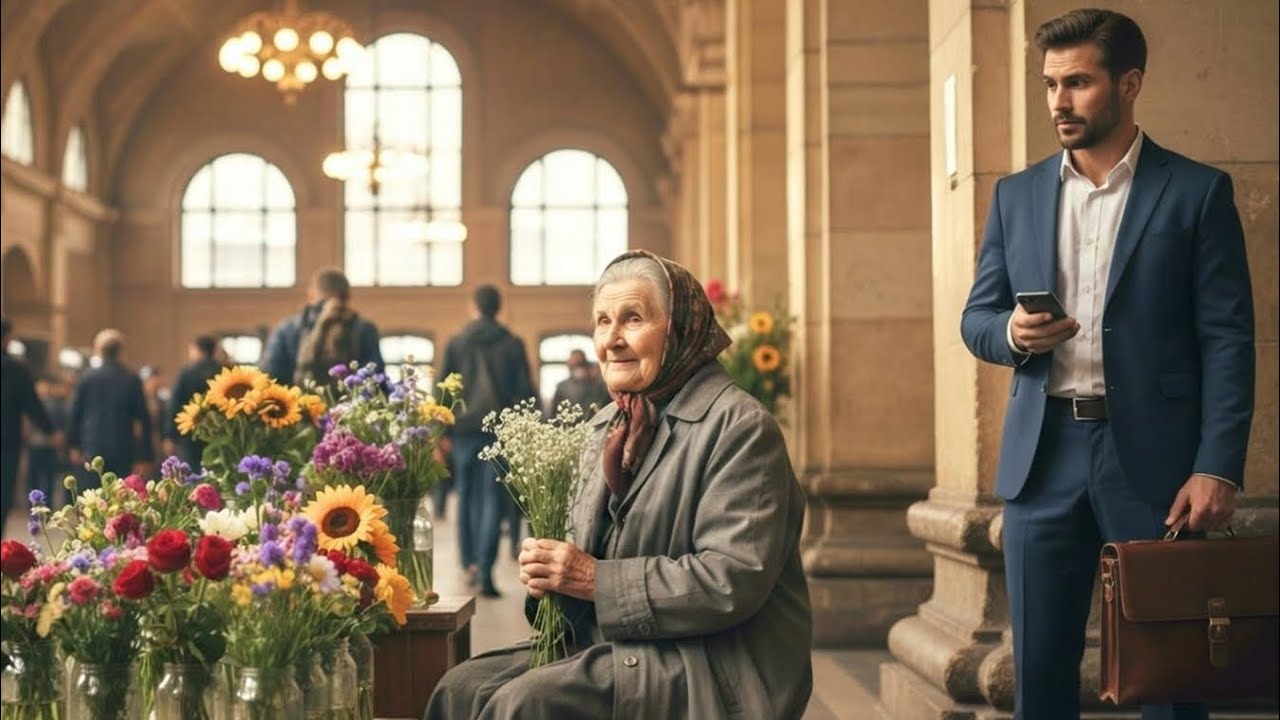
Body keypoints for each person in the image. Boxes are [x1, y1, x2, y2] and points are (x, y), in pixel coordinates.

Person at [960, 9, 1254, 720]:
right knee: (1037, 676)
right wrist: (1013, 333)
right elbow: (976, 318)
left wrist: (1217, 466)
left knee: (1172, 680)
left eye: (1079, 83)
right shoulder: (1016, 195)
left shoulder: (1196, 192)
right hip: (1043, 457)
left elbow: (1227, 339)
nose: (1059, 102)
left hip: (1156, 463)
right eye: (1050, 84)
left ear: (1130, 83)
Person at [426, 250, 812, 719]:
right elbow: (584, 558)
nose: (611, 339)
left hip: (711, 660)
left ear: (681, 330)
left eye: (633, 319)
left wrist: (592, 578)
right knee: (459, 688)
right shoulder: (608, 426)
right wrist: (550, 575)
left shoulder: (741, 427)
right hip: (618, 643)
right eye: (602, 321)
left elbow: (731, 580)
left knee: (525, 705)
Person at [437, 284, 536, 597]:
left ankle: (469, 565)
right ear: (498, 308)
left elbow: (444, 391)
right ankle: (485, 571)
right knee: (494, 500)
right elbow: (525, 391)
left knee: (465, 497)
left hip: (464, 432)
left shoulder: (457, 343)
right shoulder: (512, 344)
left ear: (474, 307)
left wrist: (441, 434)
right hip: (498, 432)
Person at [259, 267, 384, 386]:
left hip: (299, 400)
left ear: (311, 295)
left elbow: (269, 377)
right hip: (350, 402)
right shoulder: (365, 329)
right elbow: (376, 379)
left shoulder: (286, 329)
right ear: (347, 296)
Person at [67, 329, 155, 488]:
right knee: (119, 494)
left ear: (98, 350)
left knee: (93, 495)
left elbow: (75, 413)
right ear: (121, 351)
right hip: (123, 447)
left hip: (92, 447)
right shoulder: (131, 379)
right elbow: (143, 418)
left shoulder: (87, 378)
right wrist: (145, 455)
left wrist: (73, 445)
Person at [0, 315, 55, 526]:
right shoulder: (15, 369)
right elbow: (32, 405)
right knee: (3, 493)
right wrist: (51, 431)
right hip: (7, 443)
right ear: (6, 338)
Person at [163, 334, 226, 469]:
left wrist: (170, 436)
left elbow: (174, 405)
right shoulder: (222, 371)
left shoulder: (187, 373)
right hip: (219, 432)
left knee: (191, 471)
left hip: (190, 431)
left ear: (197, 350)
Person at [547, 349, 611, 417]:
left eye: (580, 364)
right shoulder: (562, 387)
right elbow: (554, 412)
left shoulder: (596, 386)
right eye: (574, 365)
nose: (578, 370)